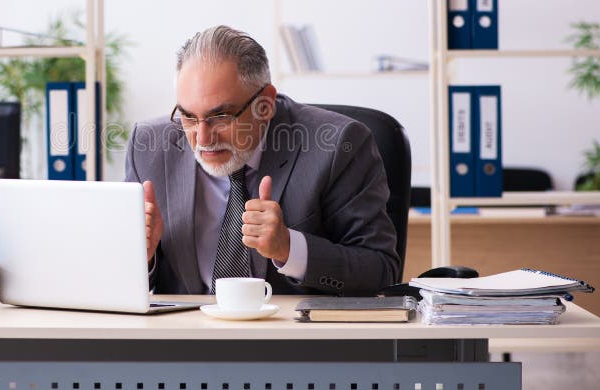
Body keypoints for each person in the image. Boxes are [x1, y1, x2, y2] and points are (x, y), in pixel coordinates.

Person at [125, 25, 399, 295]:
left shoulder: (338, 145)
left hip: (290, 337)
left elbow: (380, 270)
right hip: (183, 335)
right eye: (188, 116)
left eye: (221, 117)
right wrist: (140, 258)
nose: (203, 137)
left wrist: (289, 248)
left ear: (265, 104)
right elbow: (122, 280)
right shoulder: (148, 148)